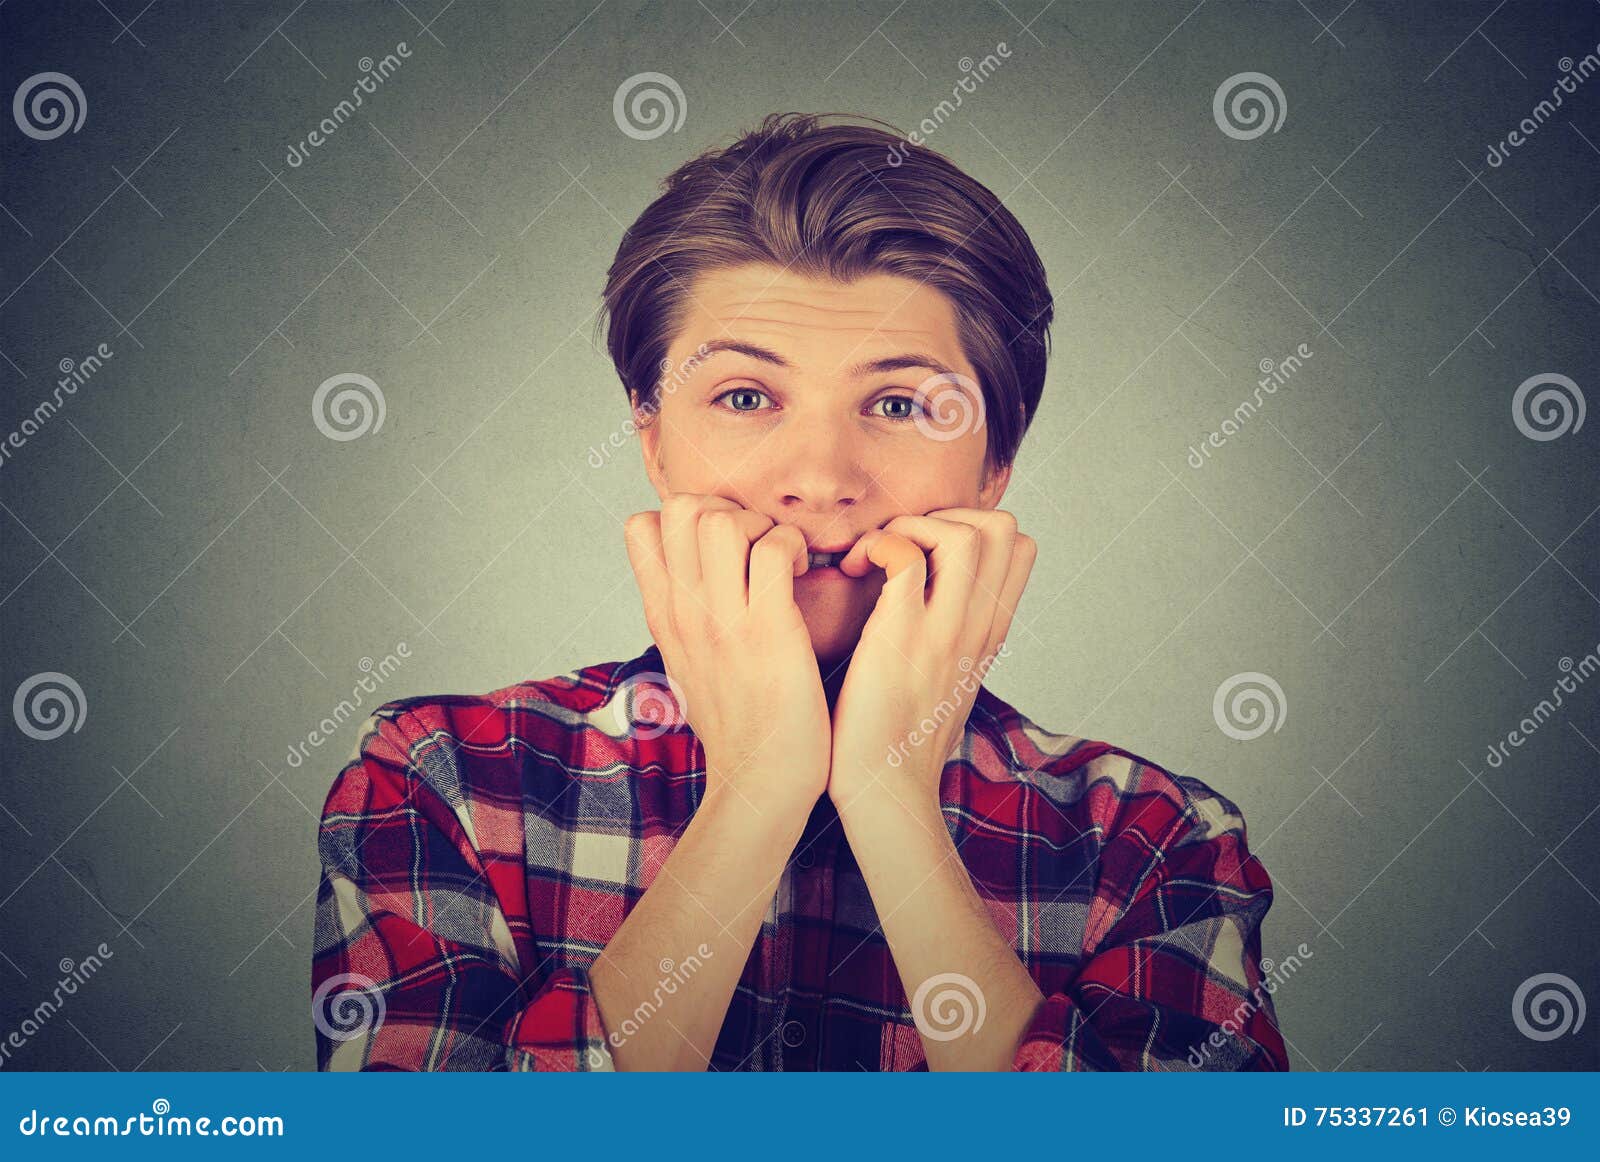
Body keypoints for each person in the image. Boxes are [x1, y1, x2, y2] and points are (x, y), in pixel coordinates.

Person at [311, 111, 1289, 1071]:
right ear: (652, 442)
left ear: (996, 463)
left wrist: (887, 794)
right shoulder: (440, 782)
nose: (821, 477)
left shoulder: (1154, 844)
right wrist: (756, 792)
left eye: (899, 403)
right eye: (745, 396)